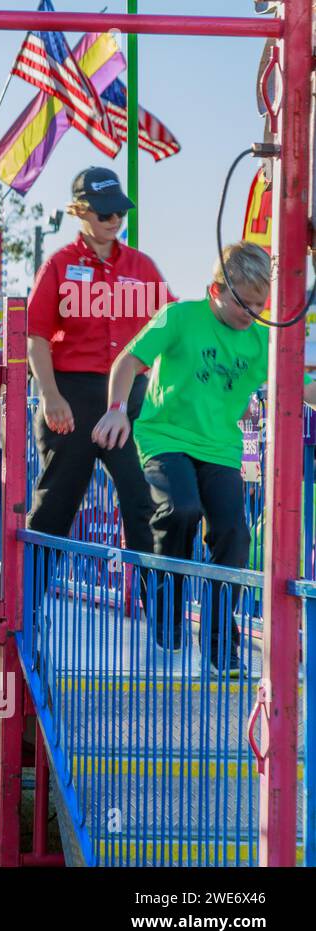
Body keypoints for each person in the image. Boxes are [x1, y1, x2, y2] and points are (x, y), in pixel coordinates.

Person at [93, 242, 316, 674]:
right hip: (165, 437)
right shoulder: (180, 317)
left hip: (219, 447)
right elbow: (128, 361)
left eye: (259, 304)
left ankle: (219, 639)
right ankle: (167, 610)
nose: (251, 312)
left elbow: (300, 386)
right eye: (243, 302)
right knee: (180, 511)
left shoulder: (259, 339)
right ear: (216, 289)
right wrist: (117, 409)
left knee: (233, 533)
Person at [26, 167, 170, 559]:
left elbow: (174, 326)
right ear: (80, 211)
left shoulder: (142, 268)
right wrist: (50, 395)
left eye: (118, 213)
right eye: (104, 213)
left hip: (129, 399)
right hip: (71, 397)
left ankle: (164, 617)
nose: (114, 221)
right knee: (57, 506)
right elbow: (36, 337)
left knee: (145, 504)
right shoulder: (58, 265)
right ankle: (23, 608)